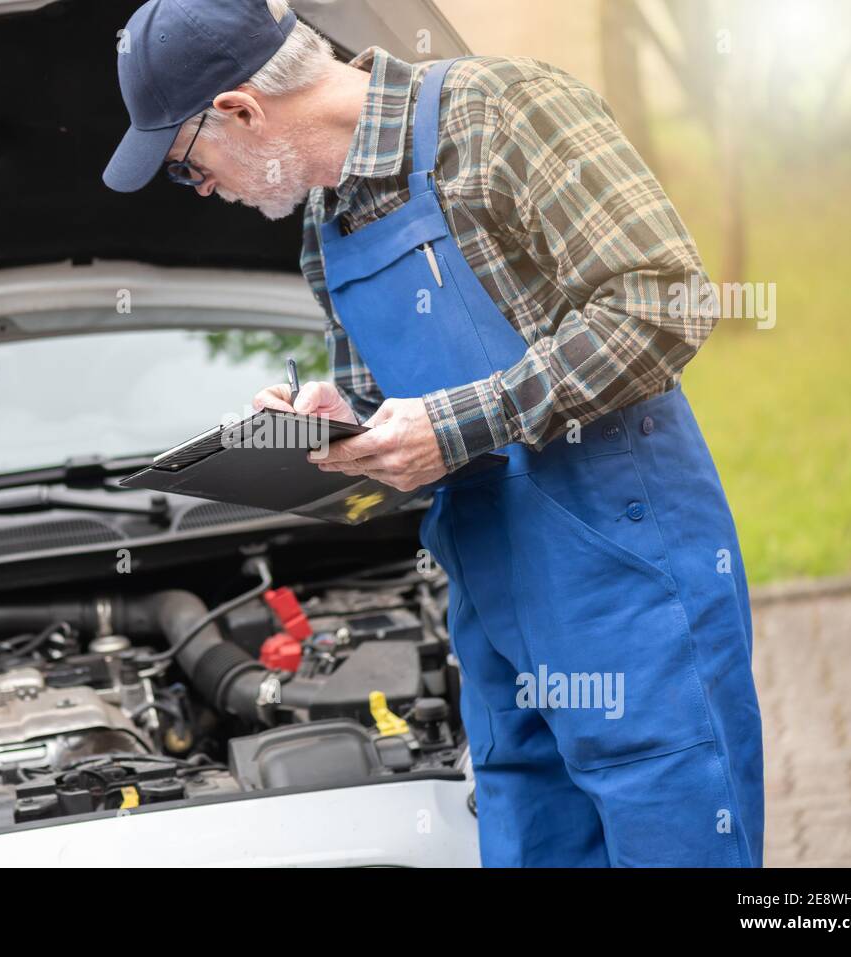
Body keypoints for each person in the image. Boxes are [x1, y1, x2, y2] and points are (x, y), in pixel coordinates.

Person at [103, 0, 764, 867]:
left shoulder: (500, 113)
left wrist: (455, 426)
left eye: (189, 167)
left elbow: (663, 301)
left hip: (630, 590)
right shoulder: (323, 226)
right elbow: (399, 415)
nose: (205, 191)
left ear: (239, 111)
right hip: (492, 610)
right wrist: (342, 429)